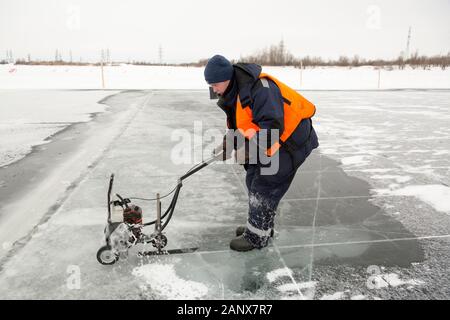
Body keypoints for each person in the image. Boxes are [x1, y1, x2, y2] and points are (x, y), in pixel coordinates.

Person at [204, 54, 319, 251]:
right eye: (210, 84)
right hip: (273, 139)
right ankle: (260, 227)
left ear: (228, 79)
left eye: (215, 84)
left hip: (291, 140)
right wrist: (228, 144)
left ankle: (257, 237)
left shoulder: (260, 89)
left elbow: (272, 127)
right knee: (252, 178)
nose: (213, 89)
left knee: (264, 185)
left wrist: (248, 150)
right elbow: (242, 123)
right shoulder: (233, 92)